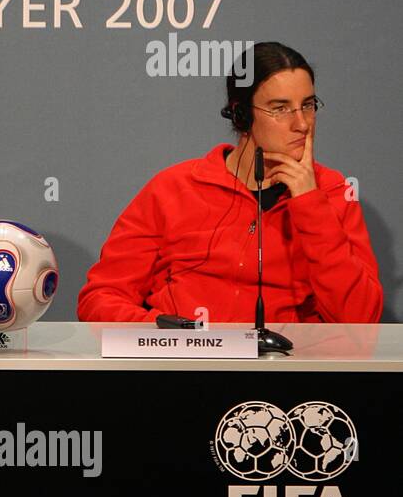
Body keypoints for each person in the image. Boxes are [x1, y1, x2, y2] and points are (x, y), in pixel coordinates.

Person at [77, 42, 382, 324]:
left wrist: (309, 204)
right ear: (241, 115)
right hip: (180, 369)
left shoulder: (332, 193)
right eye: (280, 108)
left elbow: (361, 318)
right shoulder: (174, 187)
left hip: (285, 372)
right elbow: (100, 298)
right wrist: (169, 337)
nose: (301, 123)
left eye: (308, 105)